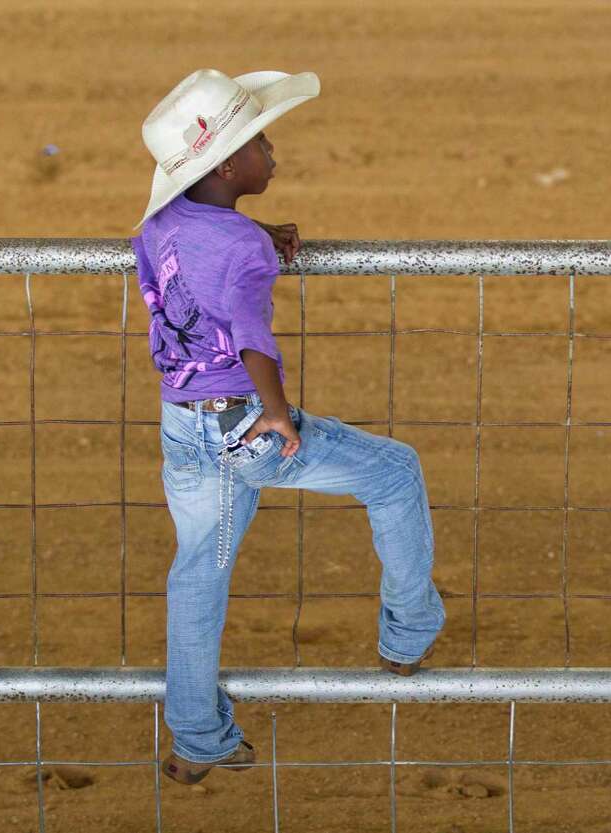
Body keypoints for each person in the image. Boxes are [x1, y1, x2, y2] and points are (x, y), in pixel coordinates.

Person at [130, 68, 445, 787]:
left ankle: (197, 739)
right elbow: (250, 334)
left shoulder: (164, 222)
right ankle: (408, 635)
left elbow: (192, 268)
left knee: (198, 575)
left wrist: (257, 235)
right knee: (396, 472)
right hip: (247, 425)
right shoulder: (241, 248)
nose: (272, 152)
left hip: (183, 426)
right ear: (226, 166)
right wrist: (275, 411)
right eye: (259, 142)